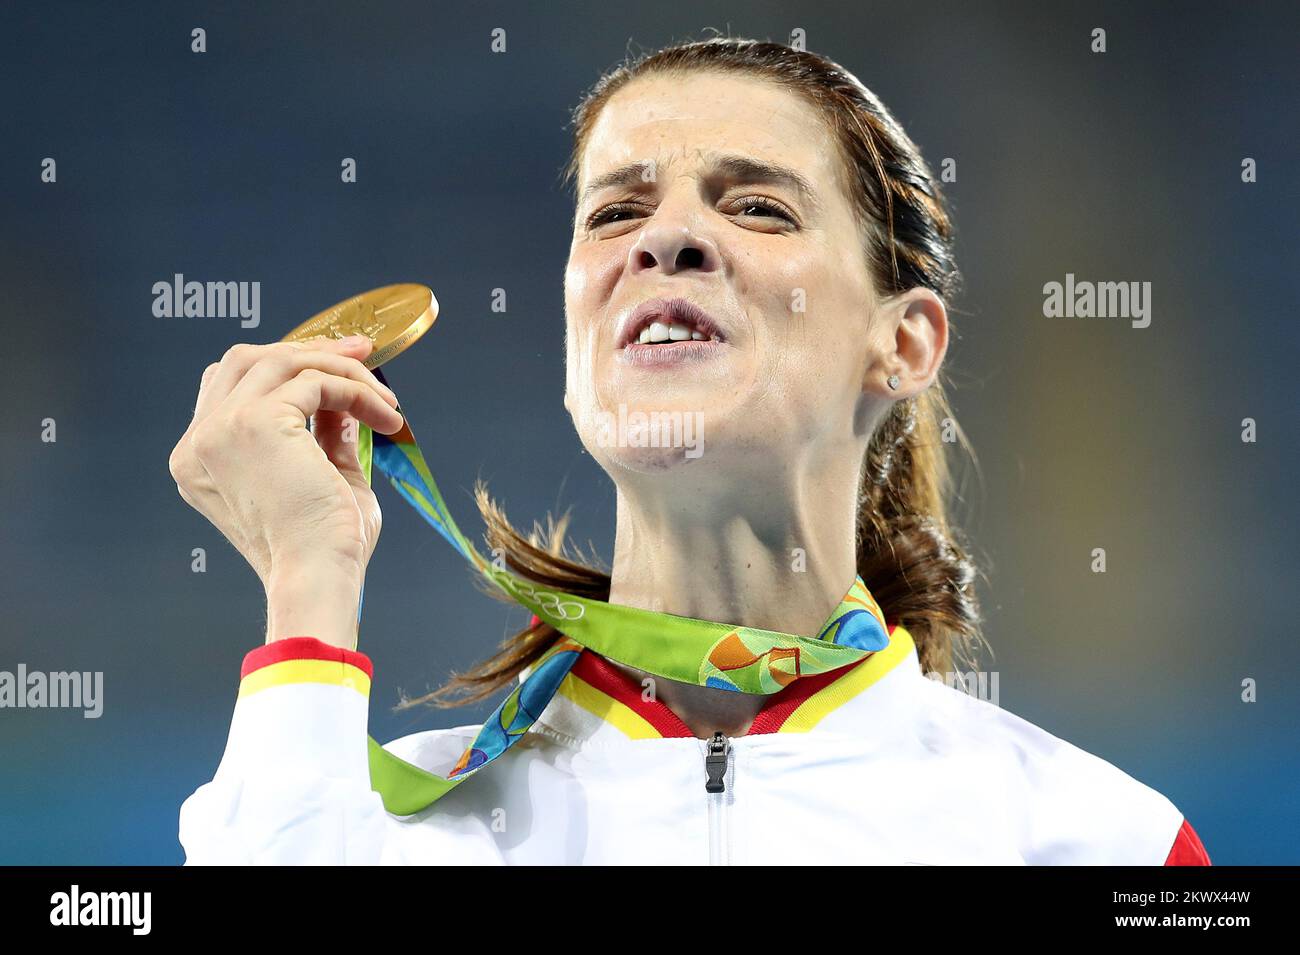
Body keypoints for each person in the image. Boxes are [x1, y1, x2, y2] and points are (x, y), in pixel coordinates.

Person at [169, 37, 1210, 864]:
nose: (661, 239)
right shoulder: (385, 823)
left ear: (902, 344)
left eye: (757, 206)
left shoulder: (1096, 841)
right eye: (616, 211)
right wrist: (307, 579)